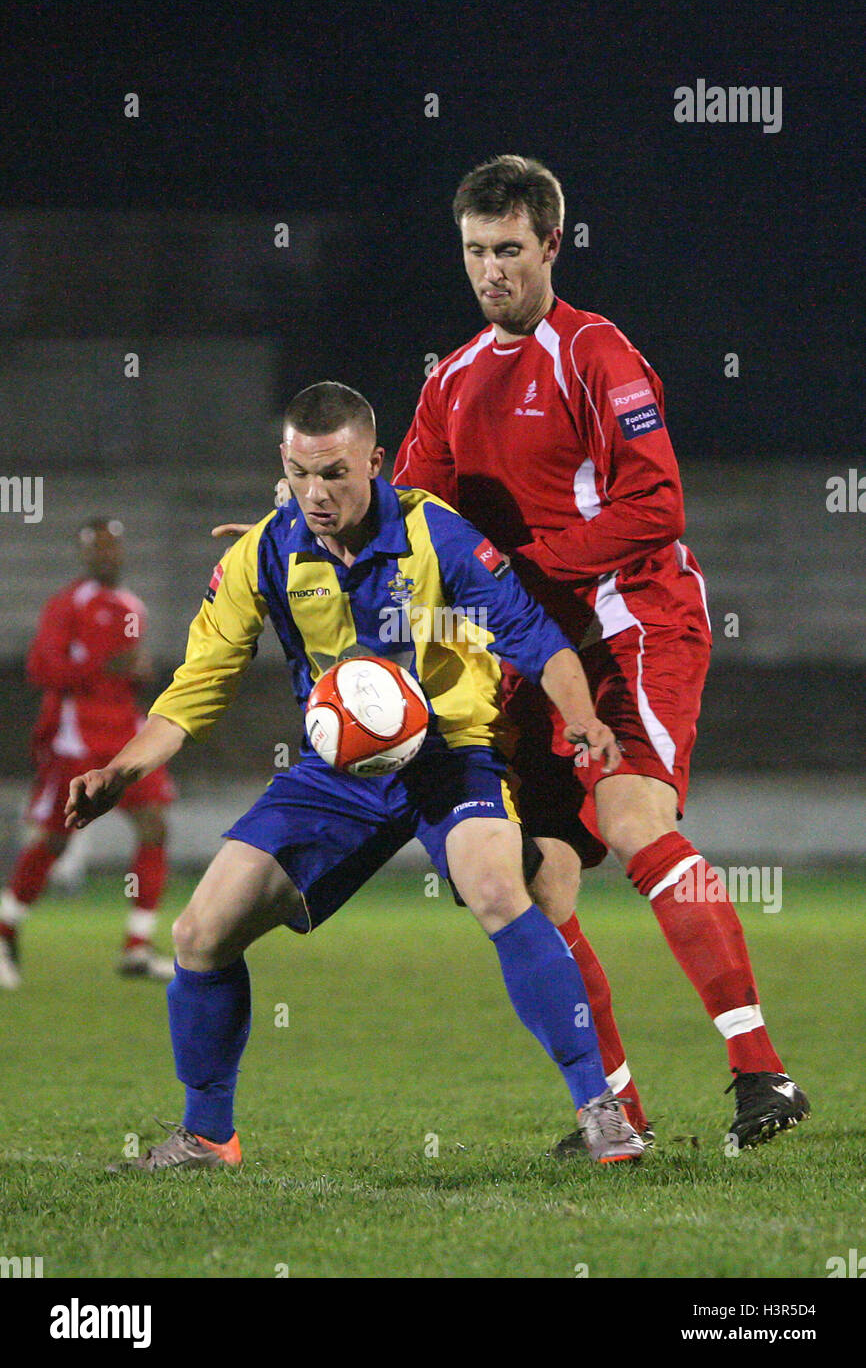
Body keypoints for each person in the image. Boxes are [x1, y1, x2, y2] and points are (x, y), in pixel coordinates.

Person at [65, 381, 646, 1170]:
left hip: (449, 753)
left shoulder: (438, 537)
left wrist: (580, 716)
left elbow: (534, 636)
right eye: (301, 473)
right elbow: (198, 686)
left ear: (375, 462)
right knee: (200, 935)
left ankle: (601, 1111)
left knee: (499, 889)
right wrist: (121, 769)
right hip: (336, 773)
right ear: (283, 463)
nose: (317, 492)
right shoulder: (261, 554)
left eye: (335, 472)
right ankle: (208, 1136)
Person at [392, 155, 810, 1151]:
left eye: (507, 249)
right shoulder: (448, 384)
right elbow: (409, 520)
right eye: (472, 251)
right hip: (533, 651)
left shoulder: (595, 353)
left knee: (627, 812)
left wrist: (522, 567)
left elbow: (656, 504)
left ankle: (760, 1071)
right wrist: (296, 538)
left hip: (636, 620)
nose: (489, 270)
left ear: (551, 245)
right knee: (535, 877)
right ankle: (615, 1109)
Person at [0, 518, 175, 988]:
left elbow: (124, 673)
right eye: (96, 549)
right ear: (84, 555)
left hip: (125, 734)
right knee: (56, 840)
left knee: (155, 827)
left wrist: (137, 671)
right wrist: (103, 666)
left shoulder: (131, 606)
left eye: (111, 547)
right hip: (78, 737)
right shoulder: (67, 604)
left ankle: (137, 947)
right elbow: (41, 668)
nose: (106, 556)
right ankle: (4, 932)